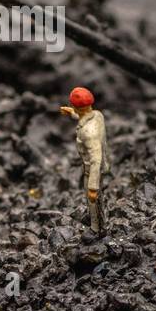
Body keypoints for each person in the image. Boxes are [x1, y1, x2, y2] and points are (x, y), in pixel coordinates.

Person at [59, 86, 109, 235]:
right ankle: (100, 223)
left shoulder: (88, 132)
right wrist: (72, 113)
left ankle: (96, 228)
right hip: (99, 165)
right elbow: (84, 115)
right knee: (97, 199)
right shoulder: (97, 115)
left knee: (93, 200)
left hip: (93, 169)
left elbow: (95, 158)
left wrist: (93, 186)